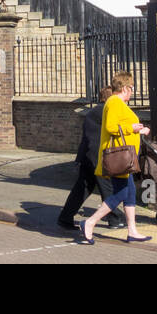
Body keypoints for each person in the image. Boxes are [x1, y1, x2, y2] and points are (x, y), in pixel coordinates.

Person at [79, 71, 151, 244]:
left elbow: (120, 125)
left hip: (126, 159)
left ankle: (132, 230)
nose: (133, 92)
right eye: (132, 88)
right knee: (122, 192)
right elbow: (112, 127)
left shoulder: (119, 103)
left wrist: (138, 130)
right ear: (126, 88)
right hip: (119, 159)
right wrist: (132, 128)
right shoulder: (114, 102)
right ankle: (90, 222)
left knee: (130, 192)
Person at [57, 87, 124, 230]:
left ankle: (65, 217)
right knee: (107, 188)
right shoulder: (106, 111)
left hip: (87, 156)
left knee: (82, 189)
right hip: (99, 156)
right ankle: (115, 219)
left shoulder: (92, 112)